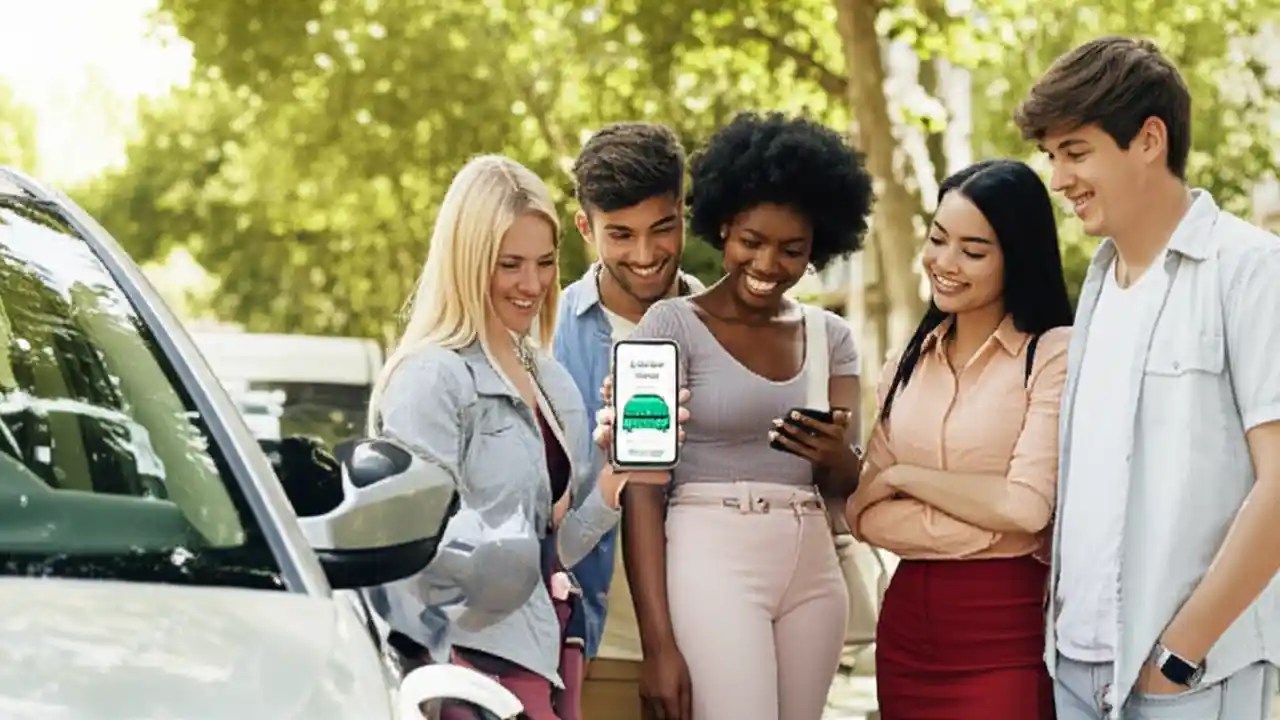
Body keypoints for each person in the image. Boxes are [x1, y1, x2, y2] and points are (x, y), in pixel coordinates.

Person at [362, 154, 683, 720]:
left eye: (545, 263)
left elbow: (548, 553)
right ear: (468, 261)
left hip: (545, 654)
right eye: (510, 264)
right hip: (464, 670)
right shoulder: (432, 377)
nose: (532, 284)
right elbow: (411, 562)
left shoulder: (548, 377)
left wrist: (615, 476)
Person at [1015, 36, 1280, 719]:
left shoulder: (1249, 269)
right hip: (1076, 666)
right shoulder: (1101, 285)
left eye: (1076, 152)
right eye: (1052, 157)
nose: (1059, 179)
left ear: (1149, 139)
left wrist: (1180, 652)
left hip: (1187, 677)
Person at [621, 111, 873, 720]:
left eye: (793, 250)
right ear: (724, 225)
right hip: (711, 551)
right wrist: (658, 646)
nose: (768, 265)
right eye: (751, 242)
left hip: (811, 560)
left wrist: (840, 460)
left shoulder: (832, 336)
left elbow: (847, 486)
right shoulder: (666, 325)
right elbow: (641, 491)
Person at [846, 159, 1073, 718]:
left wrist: (905, 480)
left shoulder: (1054, 354)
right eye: (938, 239)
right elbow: (861, 515)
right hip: (904, 637)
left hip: (1004, 639)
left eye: (972, 251)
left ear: (1014, 258)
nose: (944, 264)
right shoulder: (907, 361)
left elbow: (1026, 507)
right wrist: (986, 519)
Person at [552, 122, 705, 719]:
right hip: (592, 649)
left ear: (683, 215)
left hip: (713, 644)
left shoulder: (726, 329)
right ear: (585, 228)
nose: (645, 256)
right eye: (620, 235)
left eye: (661, 229)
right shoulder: (546, 335)